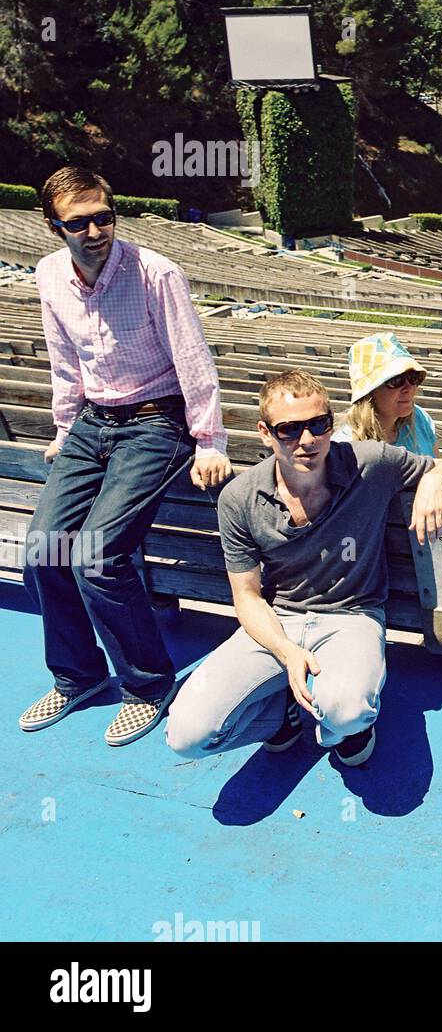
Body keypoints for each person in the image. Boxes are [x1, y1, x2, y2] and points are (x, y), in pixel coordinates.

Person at [19, 167, 232, 747]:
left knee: (95, 554)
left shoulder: (156, 273)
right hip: (92, 422)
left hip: (156, 421)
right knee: (43, 550)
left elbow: (194, 360)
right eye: (78, 222)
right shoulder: (48, 276)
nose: (94, 230)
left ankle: (147, 684)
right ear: (53, 226)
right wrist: (66, 431)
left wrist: (209, 441)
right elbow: (64, 360)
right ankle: (78, 676)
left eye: (103, 217)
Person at [167, 370, 442, 767]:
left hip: (353, 615)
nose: (307, 440)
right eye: (289, 429)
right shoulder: (240, 497)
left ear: (332, 423)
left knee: (348, 712)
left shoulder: (370, 462)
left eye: (319, 425)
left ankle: (344, 726)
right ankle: (277, 721)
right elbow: (247, 596)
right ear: (265, 433)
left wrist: (434, 481)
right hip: (281, 618)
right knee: (186, 736)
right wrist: (286, 652)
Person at [333, 333, 442, 490]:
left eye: (413, 378)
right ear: (369, 392)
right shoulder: (344, 447)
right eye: (396, 381)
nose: (409, 389)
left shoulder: (420, 418)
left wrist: (435, 480)